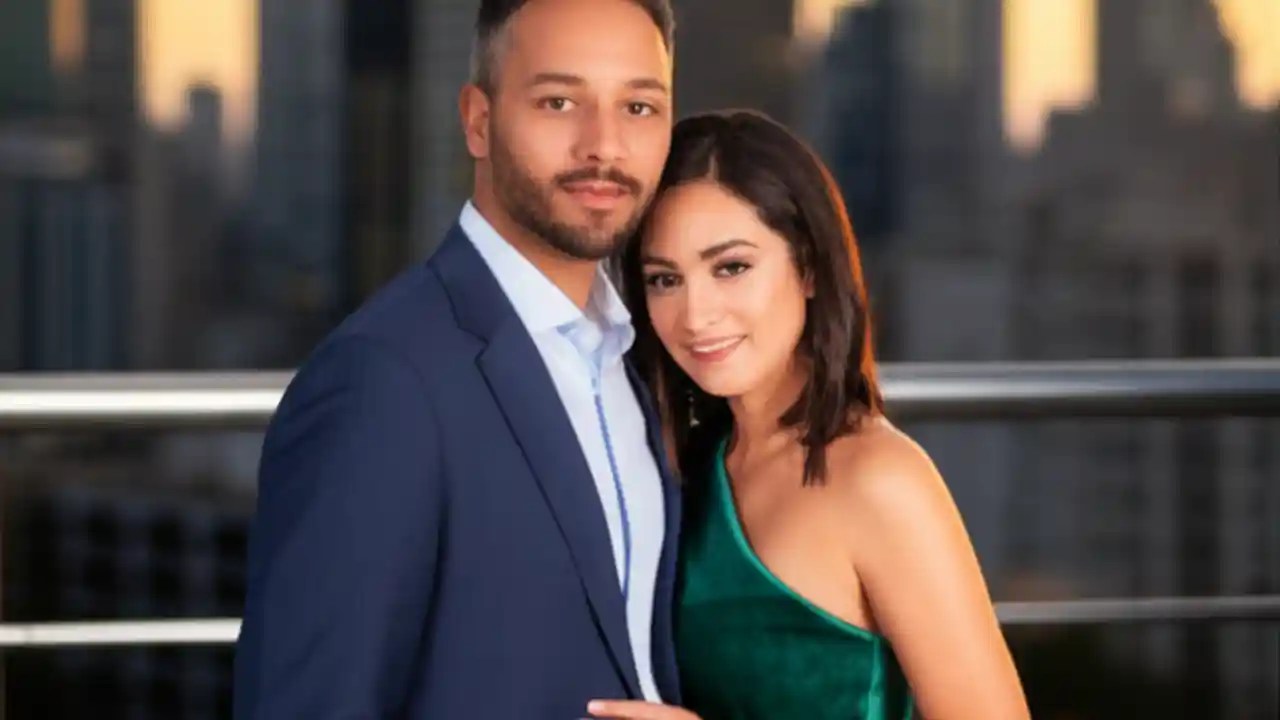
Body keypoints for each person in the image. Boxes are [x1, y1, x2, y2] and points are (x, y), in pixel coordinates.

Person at [232, 1, 684, 716]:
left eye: (638, 106)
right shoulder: (379, 382)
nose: (604, 145)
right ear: (478, 120)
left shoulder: (640, 356)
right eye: (559, 101)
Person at [588, 111, 1029, 720]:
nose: (694, 315)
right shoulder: (687, 468)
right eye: (665, 280)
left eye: (731, 267)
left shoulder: (879, 479)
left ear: (811, 268)